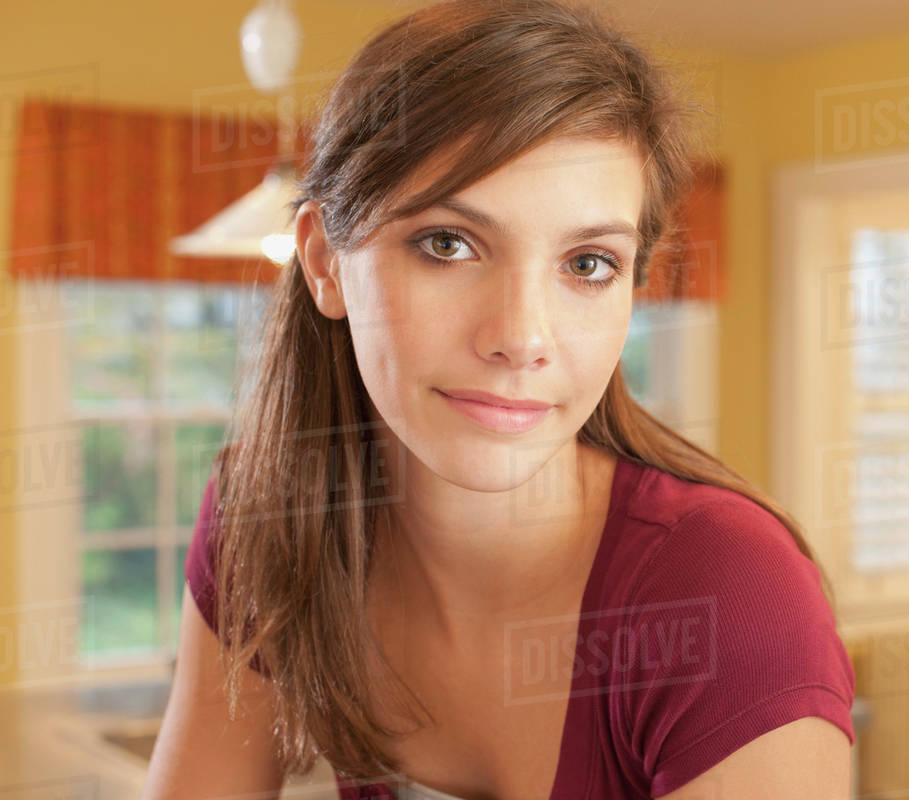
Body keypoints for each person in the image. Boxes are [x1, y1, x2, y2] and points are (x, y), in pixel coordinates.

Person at [144, 1, 856, 798]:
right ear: (324, 263)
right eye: (447, 244)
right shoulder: (266, 517)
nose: (521, 337)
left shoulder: (727, 598)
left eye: (588, 264)